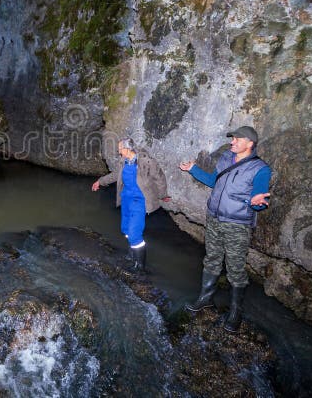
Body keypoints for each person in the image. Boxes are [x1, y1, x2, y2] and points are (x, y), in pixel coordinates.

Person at [178, 125, 272, 332]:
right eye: (233, 139)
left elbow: (258, 197)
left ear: (250, 143)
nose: (232, 142)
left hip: (237, 224)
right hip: (214, 218)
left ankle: (235, 311)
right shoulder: (225, 159)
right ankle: (205, 298)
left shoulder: (260, 169)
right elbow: (213, 181)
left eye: (237, 139)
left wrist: (256, 202)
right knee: (211, 258)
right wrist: (193, 169)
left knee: (235, 268)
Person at [92, 138, 170, 272]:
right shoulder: (123, 161)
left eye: (120, 149)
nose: (118, 151)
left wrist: (163, 195)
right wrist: (100, 181)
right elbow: (116, 175)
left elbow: (160, 178)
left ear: (127, 149)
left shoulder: (146, 161)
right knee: (126, 229)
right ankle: (131, 256)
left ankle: (140, 267)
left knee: (134, 233)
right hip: (126, 199)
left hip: (139, 201)